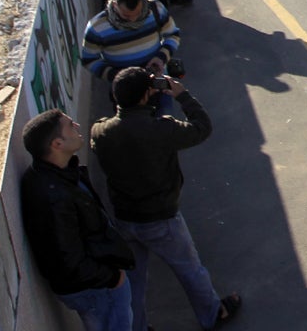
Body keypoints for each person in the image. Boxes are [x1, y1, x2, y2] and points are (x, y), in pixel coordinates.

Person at [91, 68, 241, 331]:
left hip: (124, 217)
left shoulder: (101, 131)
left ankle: (137, 327)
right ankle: (213, 313)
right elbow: (202, 128)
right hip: (161, 217)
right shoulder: (160, 129)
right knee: (190, 269)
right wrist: (182, 96)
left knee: (135, 282)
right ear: (146, 95)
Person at [19, 109, 134, 331]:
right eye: (70, 125)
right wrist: (112, 278)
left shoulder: (53, 174)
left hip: (92, 284)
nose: (78, 127)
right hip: (96, 288)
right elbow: (69, 260)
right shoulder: (54, 195)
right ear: (57, 144)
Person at [81, 0, 181, 88]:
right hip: (126, 89)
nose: (133, 20)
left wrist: (161, 57)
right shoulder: (97, 27)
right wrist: (117, 76)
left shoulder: (156, 9)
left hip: (157, 80)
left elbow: (173, 35)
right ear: (115, 5)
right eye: (126, 16)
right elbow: (89, 59)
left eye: (138, 14)